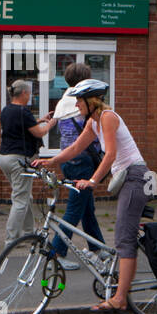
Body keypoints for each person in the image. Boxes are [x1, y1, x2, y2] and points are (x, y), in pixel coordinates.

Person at [35, 78, 147, 312]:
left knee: (123, 237)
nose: (76, 105)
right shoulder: (93, 122)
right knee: (123, 232)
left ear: (91, 101)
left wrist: (93, 180)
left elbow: (111, 154)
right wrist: (52, 160)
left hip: (136, 177)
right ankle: (118, 286)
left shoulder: (107, 117)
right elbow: (76, 147)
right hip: (124, 178)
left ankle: (120, 299)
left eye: (79, 101)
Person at [46, 62, 105, 270]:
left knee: (86, 207)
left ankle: (98, 248)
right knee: (74, 210)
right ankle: (56, 252)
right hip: (83, 160)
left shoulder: (63, 100)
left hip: (67, 160)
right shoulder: (83, 101)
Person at [0, 79, 55, 244]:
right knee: (20, 200)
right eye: (29, 93)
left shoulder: (6, 110)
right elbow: (39, 133)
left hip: (4, 158)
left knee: (24, 196)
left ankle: (29, 233)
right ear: (23, 93)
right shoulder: (23, 112)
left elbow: (19, 126)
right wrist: (50, 124)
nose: (30, 96)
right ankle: (11, 239)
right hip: (19, 160)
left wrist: (39, 119)